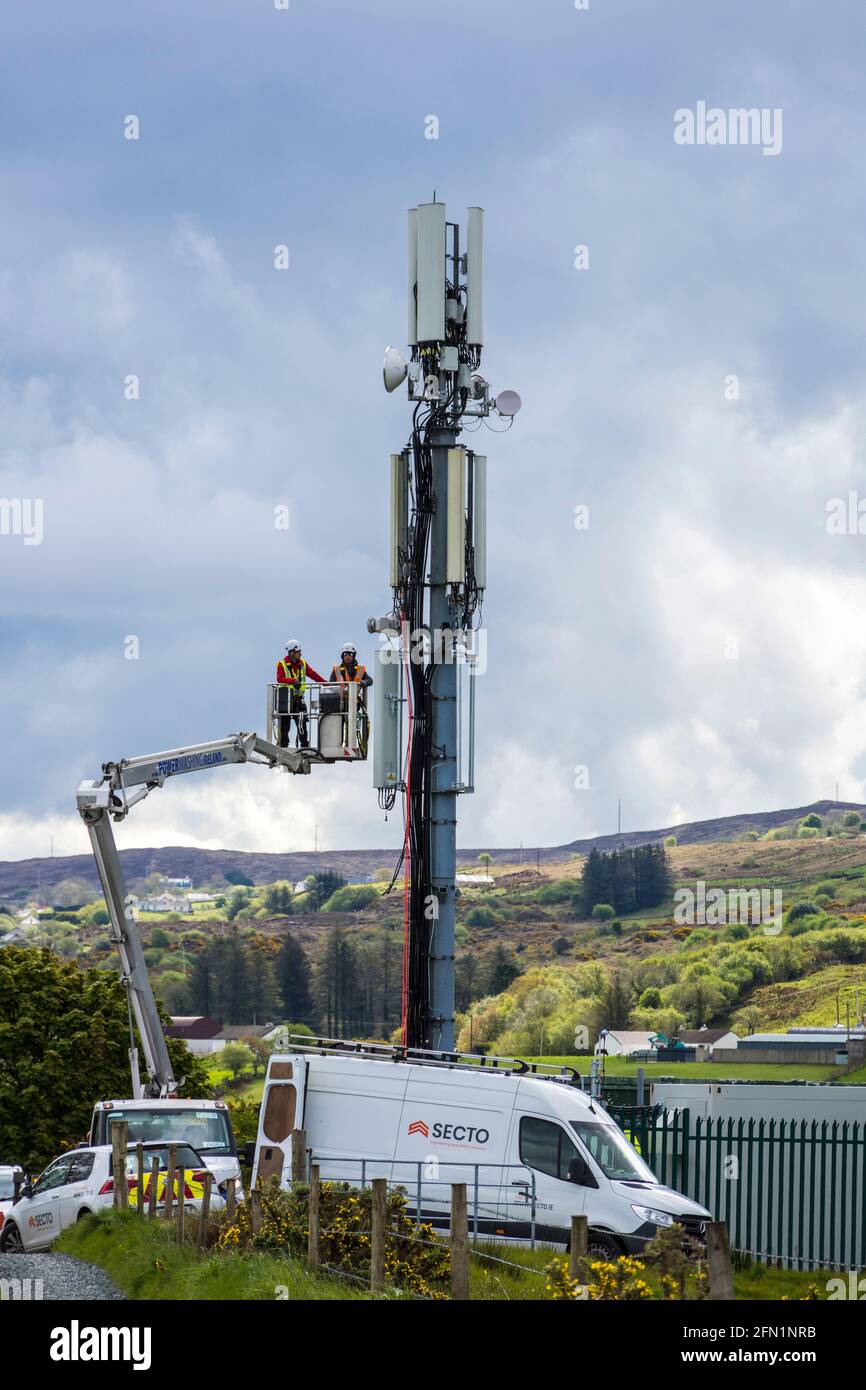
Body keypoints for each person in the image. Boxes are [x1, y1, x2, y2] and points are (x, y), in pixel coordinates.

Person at [276, 640, 326, 748]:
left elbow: (313, 675)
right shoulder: (282, 664)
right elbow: (279, 679)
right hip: (286, 701)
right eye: (298, 651)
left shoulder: (302, 664)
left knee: (302, 725)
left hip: (299, 700)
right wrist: (292, 681)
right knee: (285, 727)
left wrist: (326, 684)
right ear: (291, 652)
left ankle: (304, 746)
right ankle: (283, 747)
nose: (300, 653)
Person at [329, 642, 373, 753]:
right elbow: (330, 685)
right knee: (339, 722)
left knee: (351, 722)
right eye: (345, 654)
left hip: (354, 702)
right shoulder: (337, 670)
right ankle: (339, 745)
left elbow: (370, 680)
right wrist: (340, 691)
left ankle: (349, 744)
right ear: (342, 656)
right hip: (341, 701)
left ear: (353, 656)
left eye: (350, 654)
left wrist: (363, 682)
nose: (347, 656)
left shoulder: (360, 670)